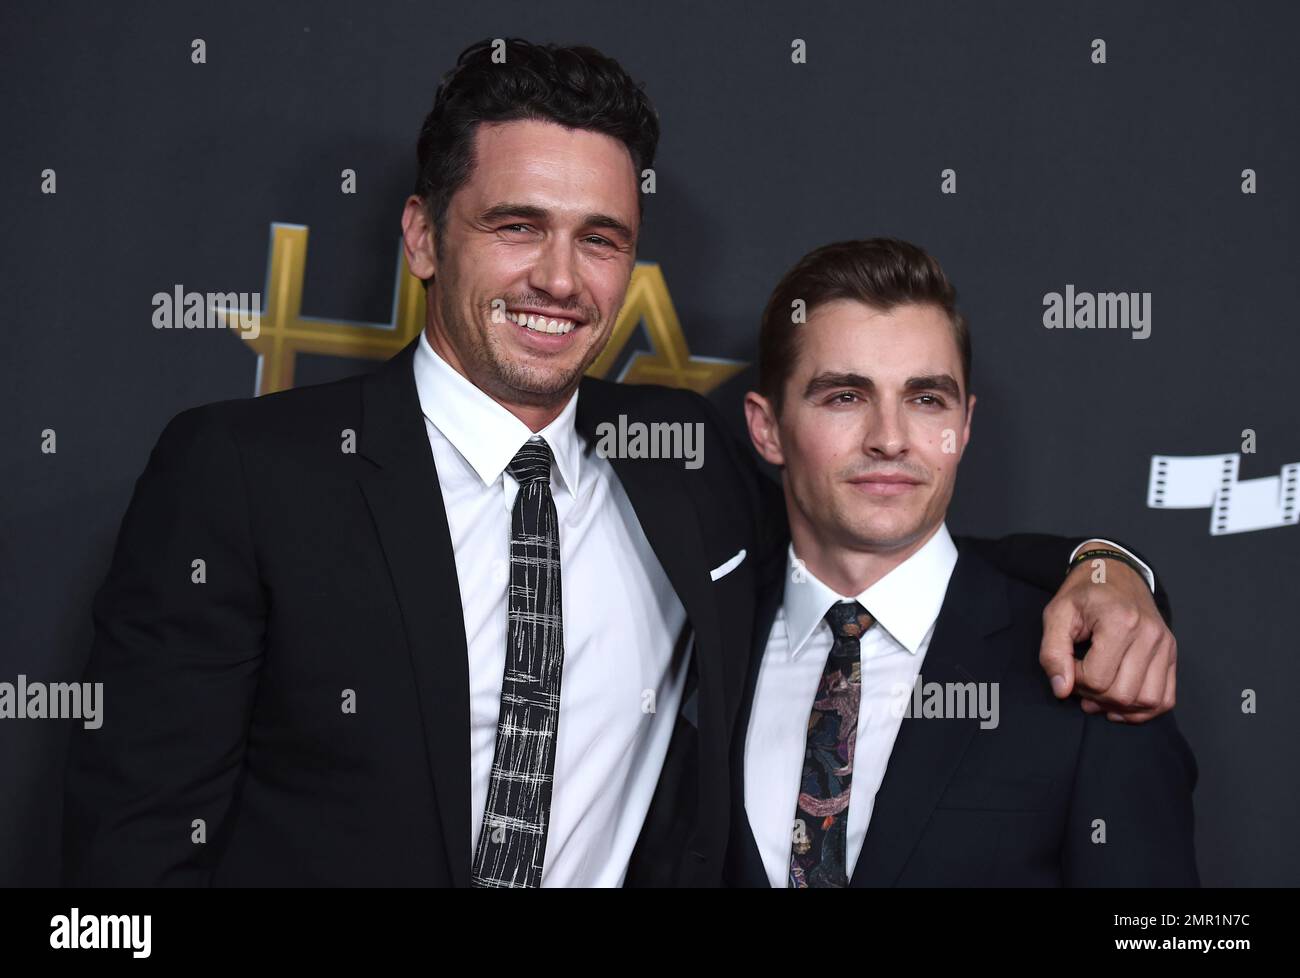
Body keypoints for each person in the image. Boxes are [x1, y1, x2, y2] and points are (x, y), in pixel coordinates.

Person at [63, 40, 1178, 889]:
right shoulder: (246, 473)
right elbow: (134, 853)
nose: (560, 277)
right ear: (418, 237)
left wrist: (1103, 566)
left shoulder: (680, 459)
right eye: (515, 226)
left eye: (599, 238)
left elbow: (884, 524)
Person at [725, 238, 1196, 887]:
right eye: (845, 397)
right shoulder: (705, 646)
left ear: (965, 424)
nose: (889, 438)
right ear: (767, 427)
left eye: (926, 400)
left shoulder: (1092, 666)